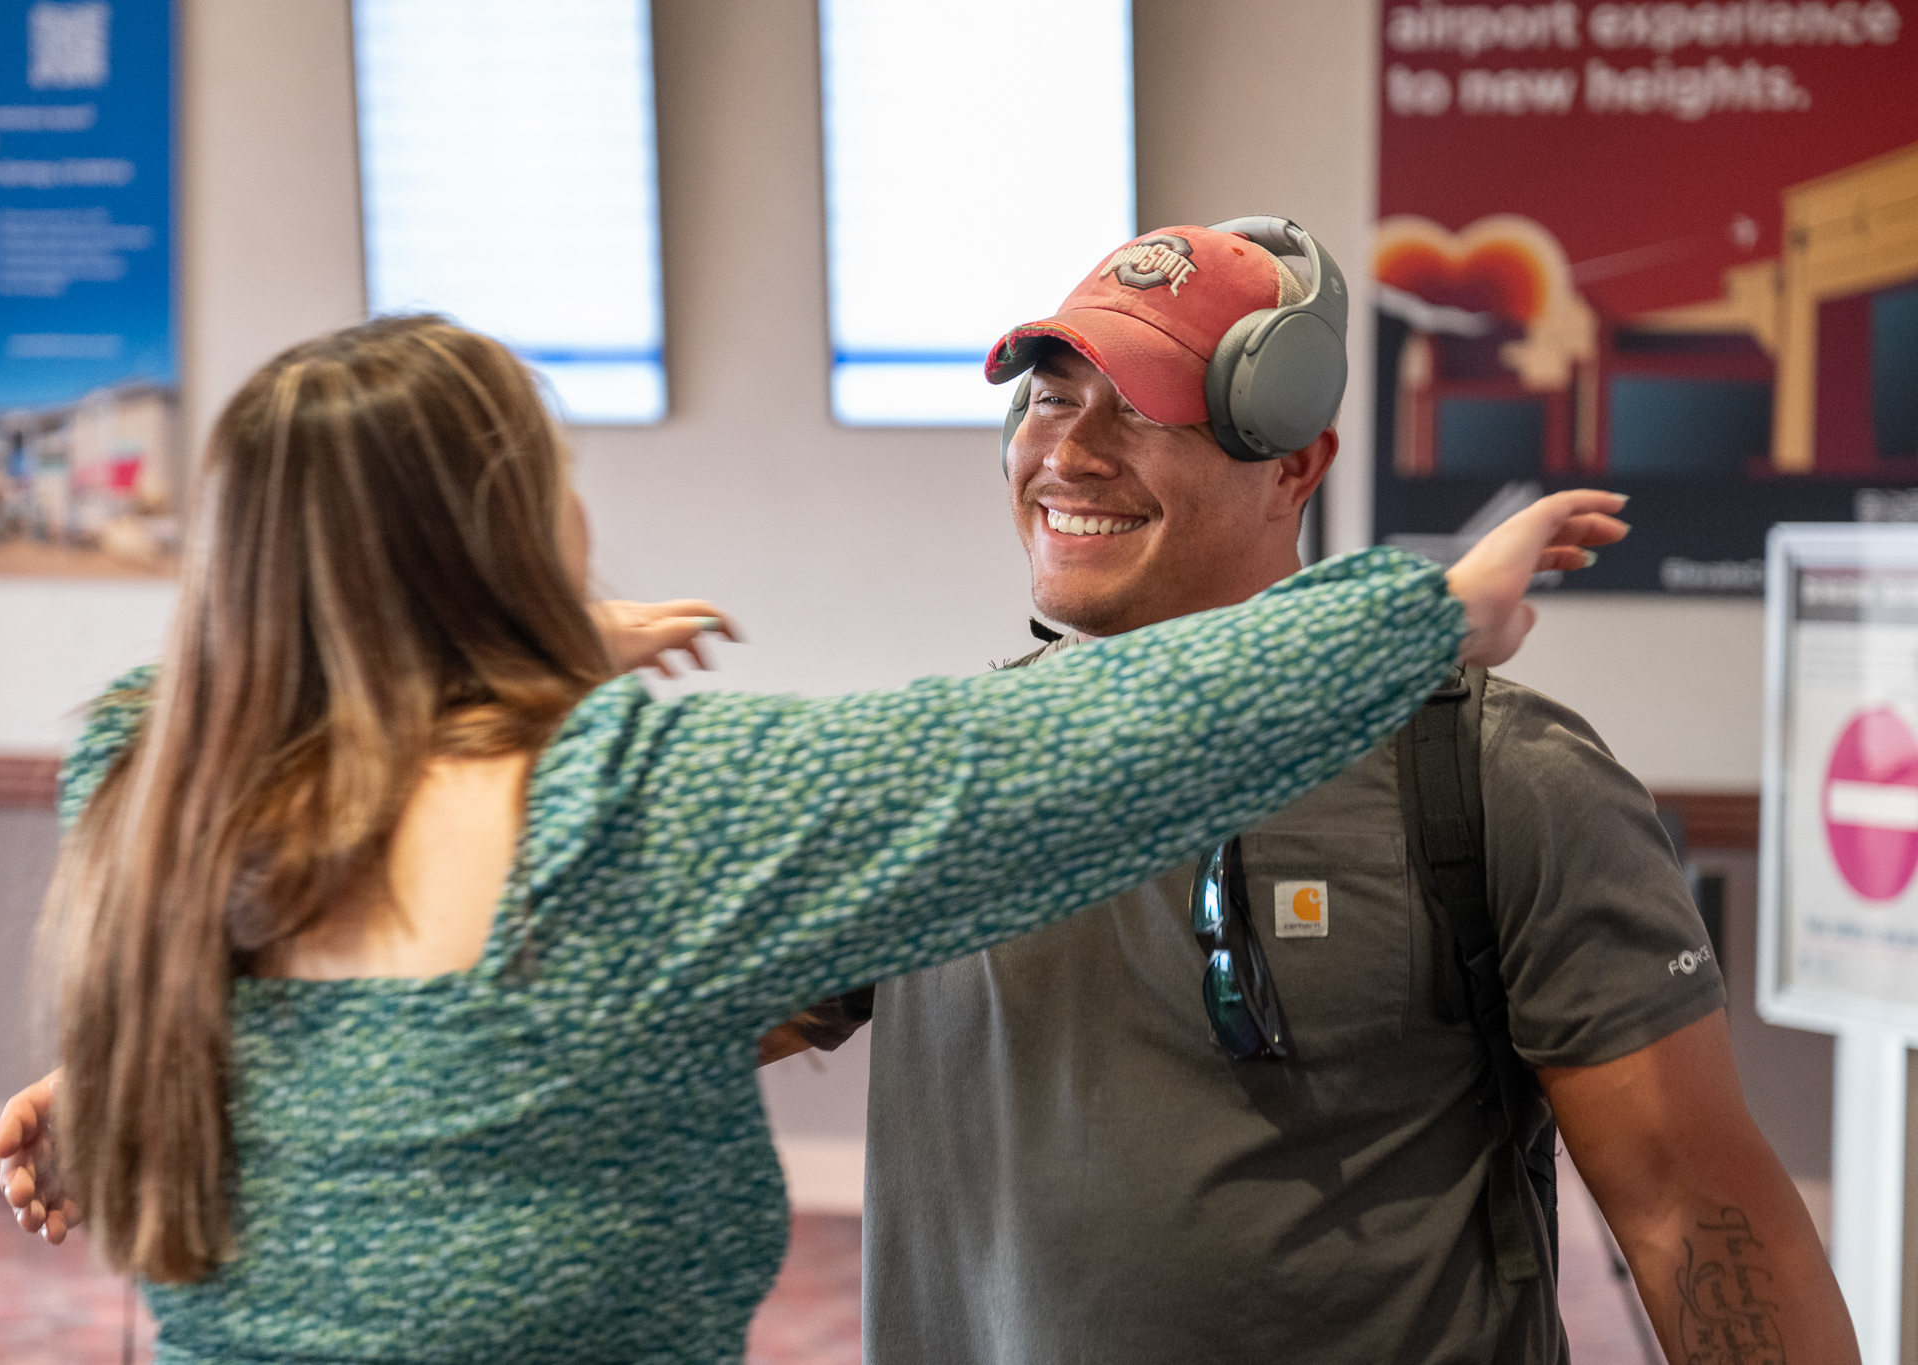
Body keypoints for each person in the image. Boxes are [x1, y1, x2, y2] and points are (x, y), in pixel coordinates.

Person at [0, 314, 1620, 1363]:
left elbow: (209, 691)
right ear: (510, 526)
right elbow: (1069, 750)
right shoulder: (646, 813)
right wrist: (1423, 612)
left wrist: (506, 663)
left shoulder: (149, 793)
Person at [773, 220, 1857, 1363]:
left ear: (1293, 463)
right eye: (1047, 400)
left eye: (1140, 408)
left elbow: (1689, 1211)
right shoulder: (946, 772)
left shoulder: (1493, 777)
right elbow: (658, 1011)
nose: (1071, 454)